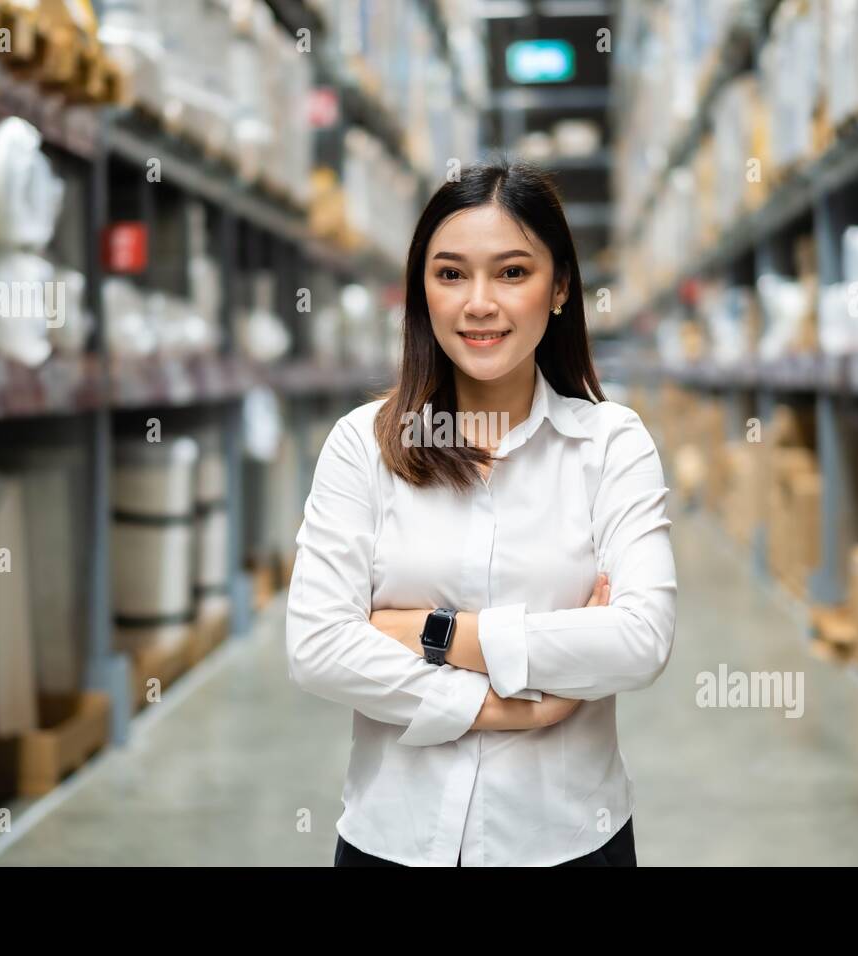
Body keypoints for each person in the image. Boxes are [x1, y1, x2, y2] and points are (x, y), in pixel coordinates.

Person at [285, 159, 677, 867]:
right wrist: (508, 706)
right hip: (392, 841)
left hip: (568, 842)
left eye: (513, 272)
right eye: (451, 274)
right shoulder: (363, 445)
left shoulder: (610, 444)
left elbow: (640, 640)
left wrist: (432, 632)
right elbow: (317, 648)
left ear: (559, 288)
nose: (479, 303)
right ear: (421, 292)